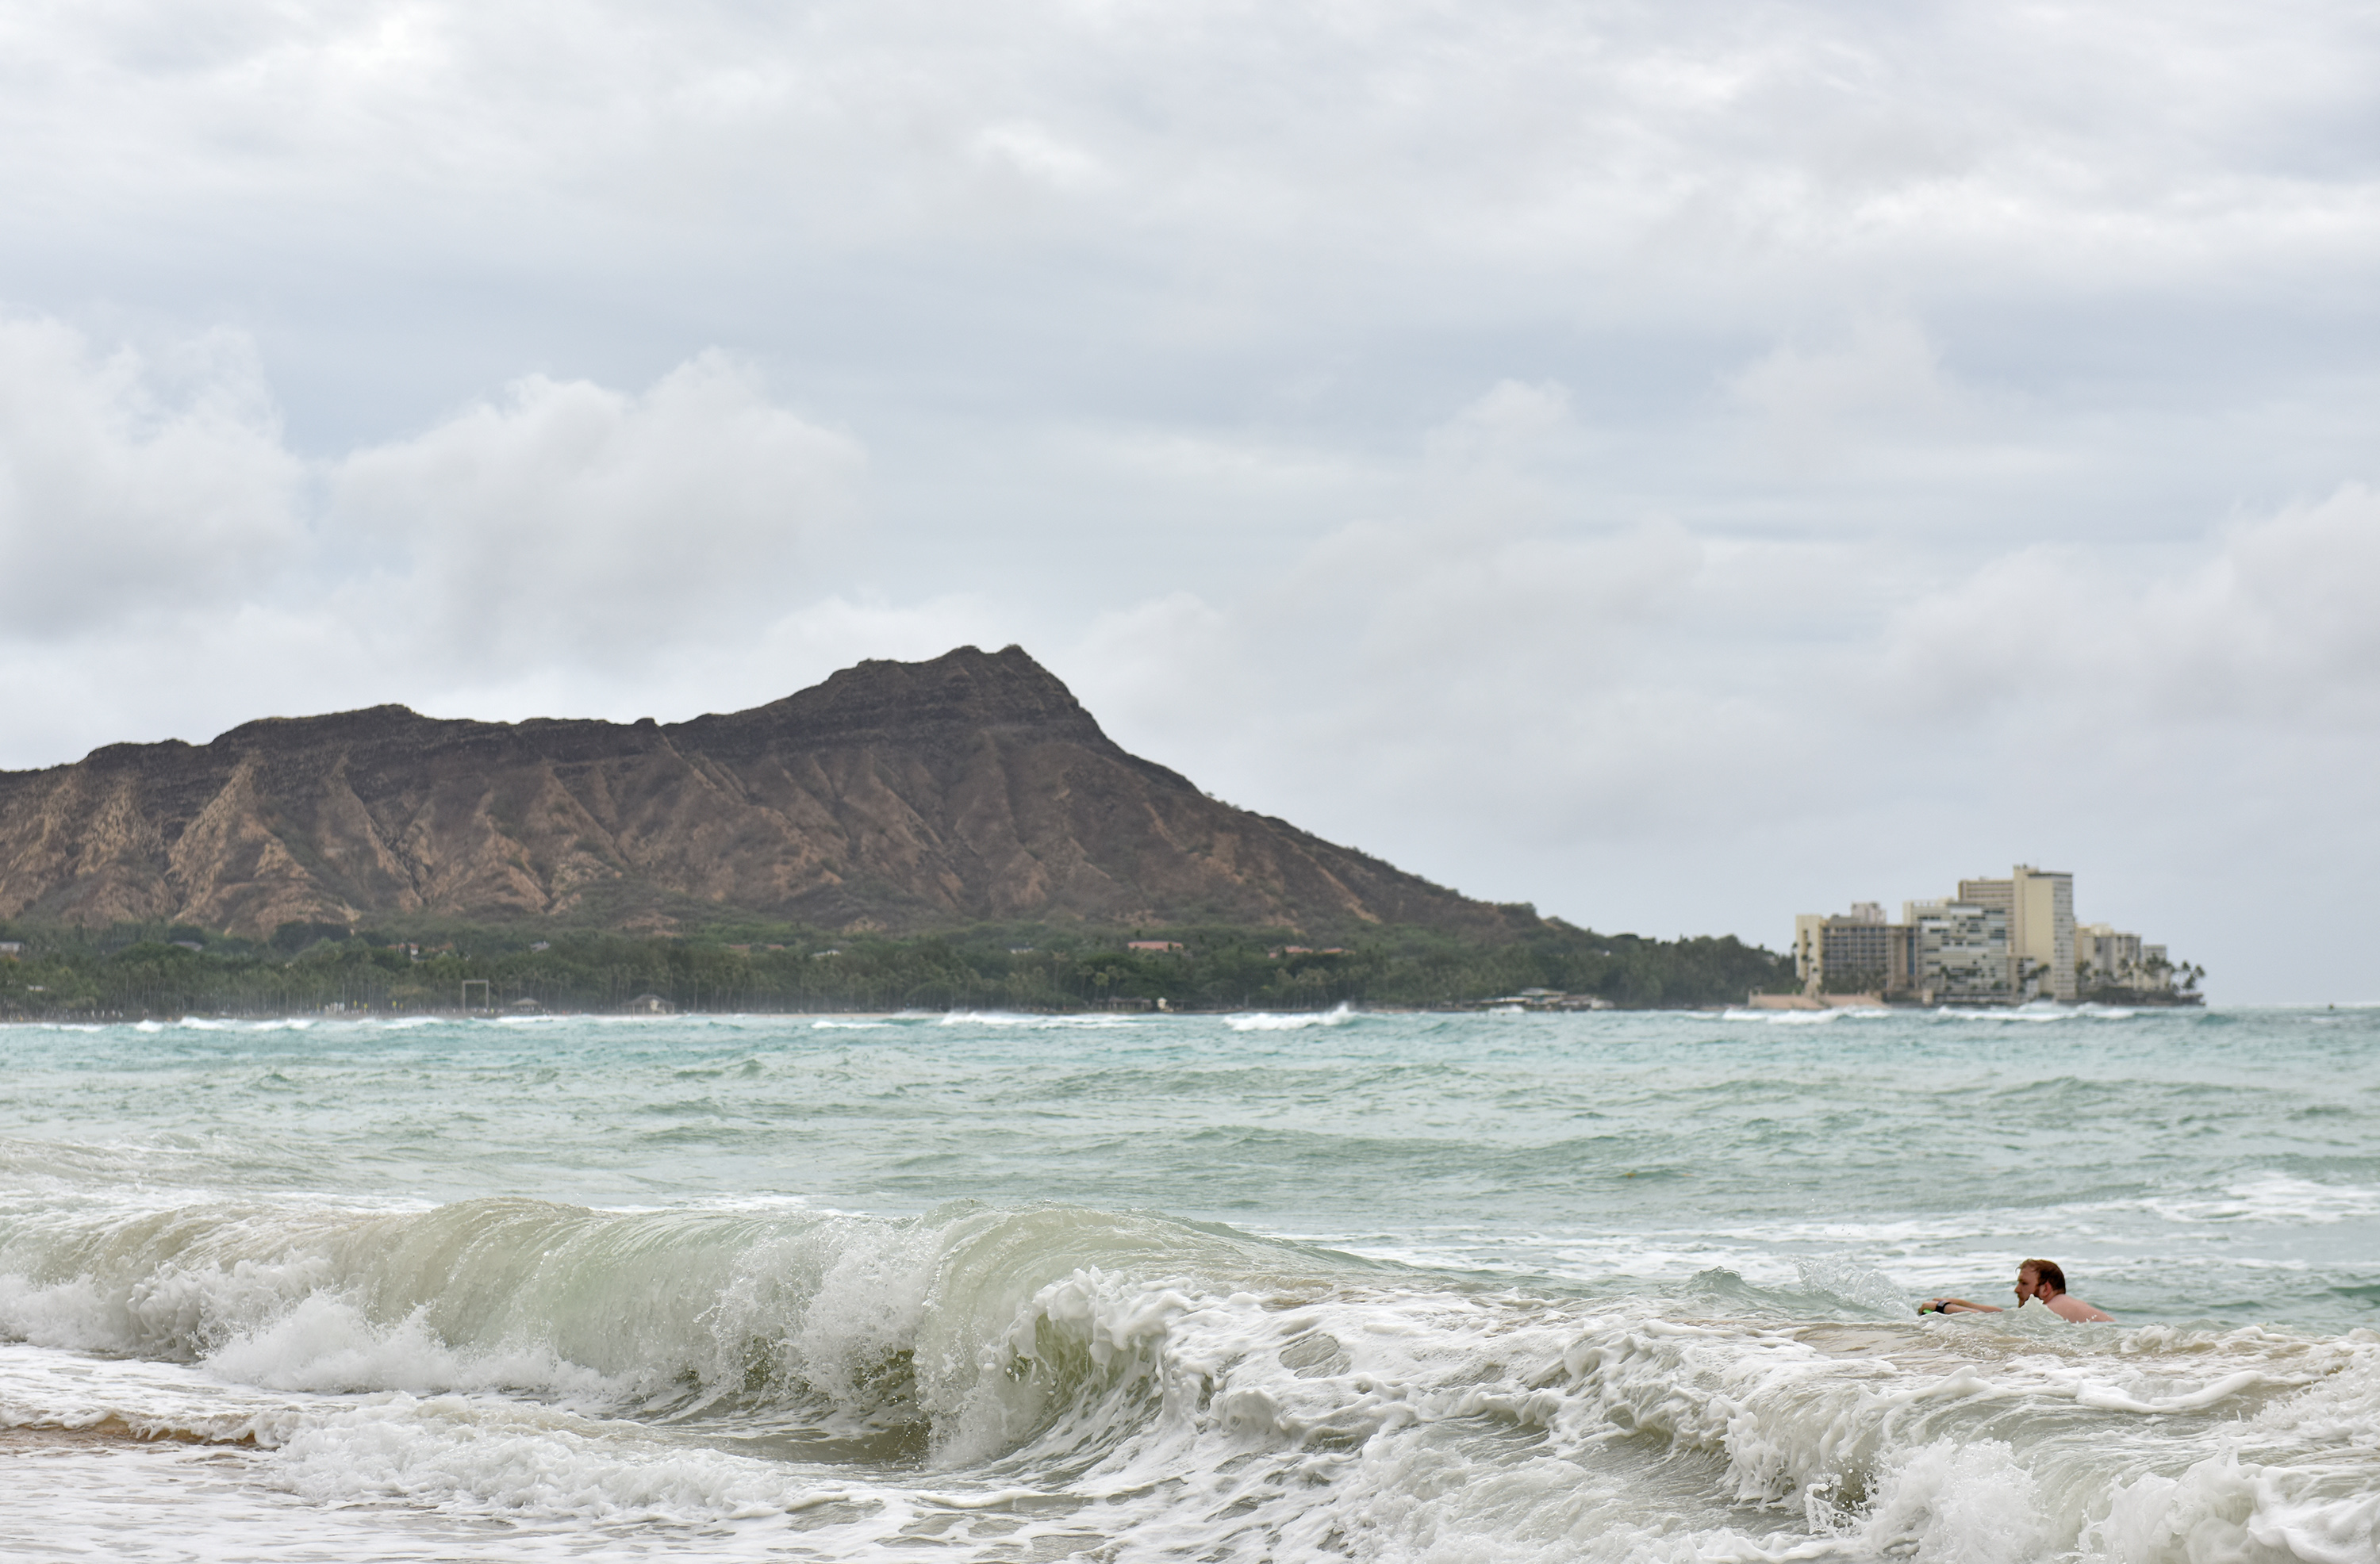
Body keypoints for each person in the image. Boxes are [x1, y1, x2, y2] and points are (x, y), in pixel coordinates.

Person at [1920, 1259, 2112, 1322]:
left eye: (2024, 1284)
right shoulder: (2057, 1305)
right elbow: (2006, 1315)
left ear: (2046, 1288)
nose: (2016, 1289)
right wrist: (1960, 1303)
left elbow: (2003, 1323)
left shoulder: (2057, 1305)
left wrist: (1943, 1308)